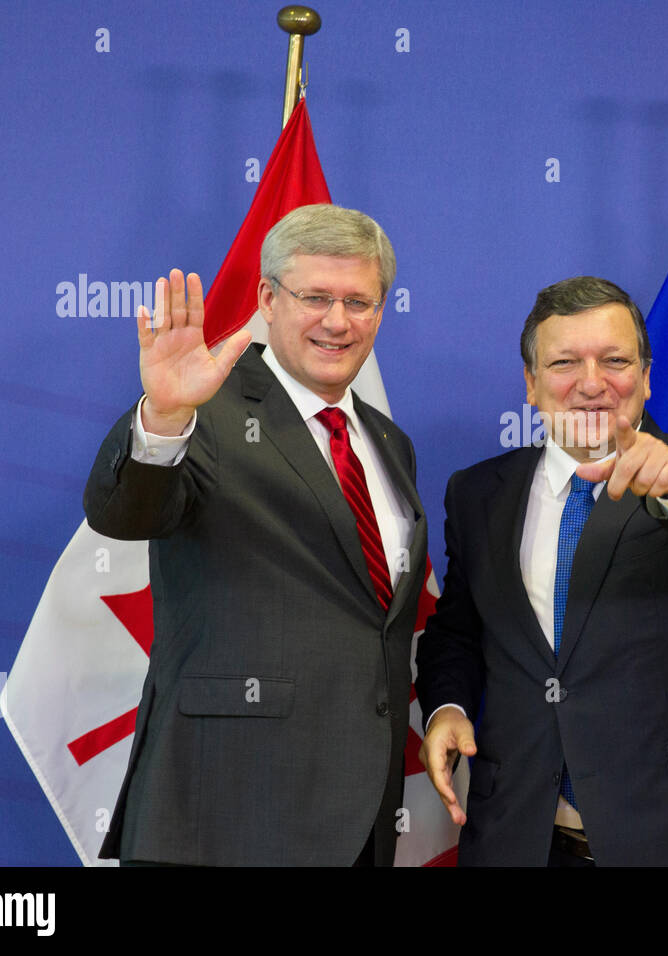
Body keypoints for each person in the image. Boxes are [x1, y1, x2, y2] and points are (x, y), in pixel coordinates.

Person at [83, 204, 427, 866]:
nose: (337, 320)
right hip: (224, 813)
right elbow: (124, 513)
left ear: (381, 312)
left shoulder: (389, 444)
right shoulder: (205, 408)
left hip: (358, 821)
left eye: (359, 301)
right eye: (315, 297)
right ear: (268, 299)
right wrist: (163, 414)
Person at [415, 276, 668, 865]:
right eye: (563, 363)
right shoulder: (477, 493)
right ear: (530, 384)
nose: (590, 383)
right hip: (516, 838)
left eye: (614, 360)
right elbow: (460, 630)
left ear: (647, 376)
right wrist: (447, 707)